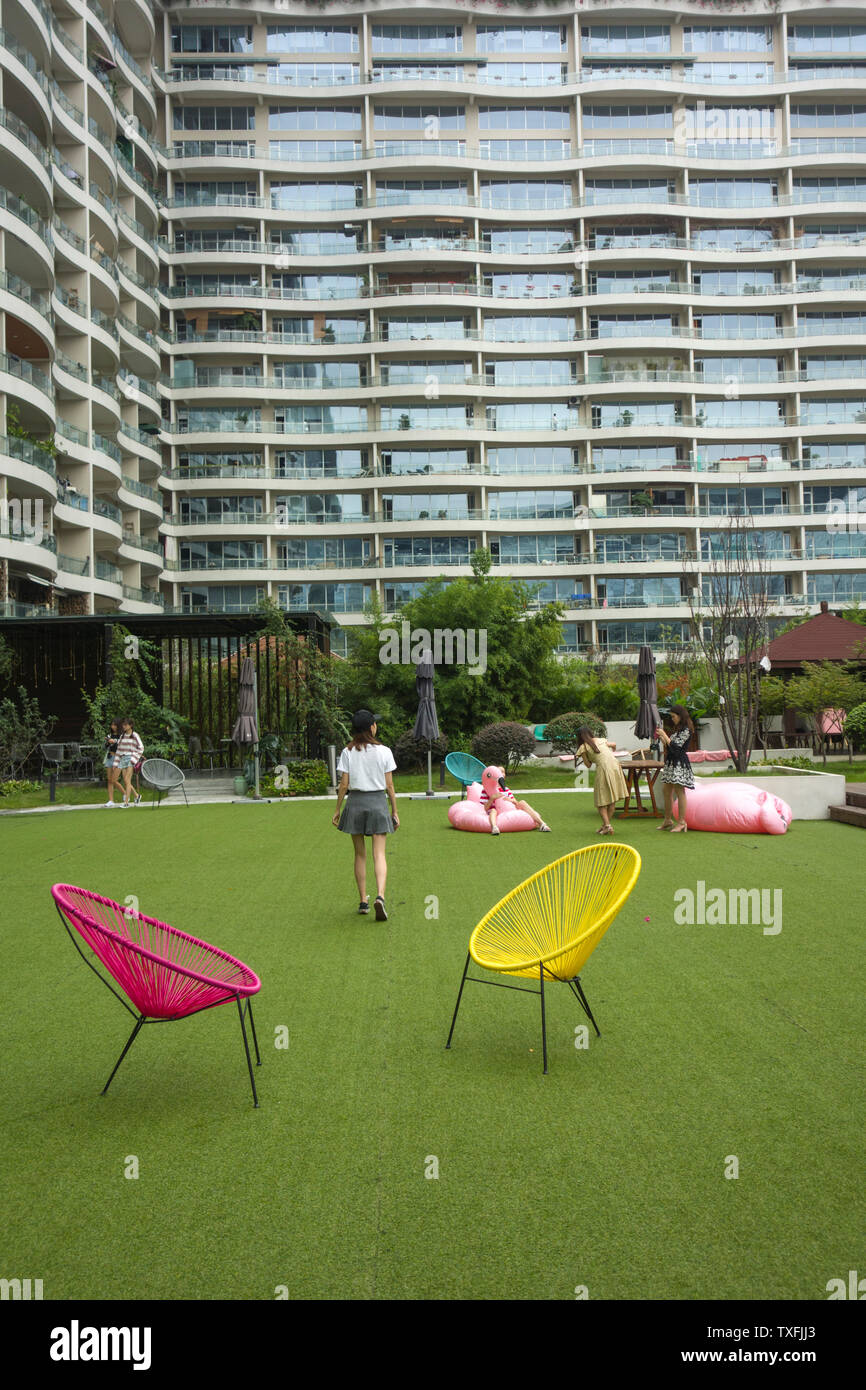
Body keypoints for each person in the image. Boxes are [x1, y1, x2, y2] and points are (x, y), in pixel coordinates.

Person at [332, 709, 399, 920]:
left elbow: (344, 784)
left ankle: (363, 901)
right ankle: (380, 896)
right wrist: (394, 811)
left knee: (359, 855)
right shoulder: (385, 751)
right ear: (372, 727)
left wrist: (337, 809)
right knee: (379, 854)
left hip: (356, 803)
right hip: (378, 803)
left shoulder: (347, 752)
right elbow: (389, 785)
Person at [575, 726, 628, 835]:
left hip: (604, 769)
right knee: (612, 800)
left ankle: (607, 826)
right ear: (590, 733)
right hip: (615, 766)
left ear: (579, 737)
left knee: (601, 802)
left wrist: (584, 756)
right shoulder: (601, 740)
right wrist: (612, 750)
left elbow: (588, 765)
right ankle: (605, 826)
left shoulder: (583, 747)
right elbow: (613, 744)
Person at [655, 704, 695, 832]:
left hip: (679, 763)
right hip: (671, 763)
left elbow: (677, 748)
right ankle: (668, 820)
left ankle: (682, 822)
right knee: (666, 791)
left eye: (673, 716)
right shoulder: (679, 729)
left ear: (680, 716)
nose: (672, 719)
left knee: (679, 791)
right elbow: (671, 746)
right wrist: (662, 738)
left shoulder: (687, 730)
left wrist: (665, 736)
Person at [480, 768, 550, 835]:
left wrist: (511, 800)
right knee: (493, 810)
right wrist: (492, 798)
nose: (502, 774)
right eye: (499, 772)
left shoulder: (506, 790)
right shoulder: (486, 790)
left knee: (522, 802)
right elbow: (484, 809)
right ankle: (494, 827)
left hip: (508, 810)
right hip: (496, 811)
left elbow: (516, 803)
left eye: (503, 772)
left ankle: (542, 824)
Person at [114, 717, 144, 807]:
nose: (123, 726)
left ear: (130, 725)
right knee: (126, 781)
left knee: (127, 780)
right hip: (123, 759)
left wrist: (134, 758)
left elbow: (141, 747)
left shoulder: (135, 735)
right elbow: (119, 750)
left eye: (125, 725)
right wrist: (115, 763)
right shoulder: (122, 736)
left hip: (130, 759)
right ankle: (137, 796)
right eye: (123, 725)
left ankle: (126, 803)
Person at [102, 718, 121, 807]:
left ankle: (126, 793)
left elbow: (121, 747)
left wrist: (114, 742)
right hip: (110, 757)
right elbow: (105, 747)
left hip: (118, 758)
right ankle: (111, 800)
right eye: (112, 725)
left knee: (115, 779)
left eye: (114, 725)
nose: (112, 726)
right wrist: (108, 742)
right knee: (109, 780)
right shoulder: (110, 735)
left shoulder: (122, 736)